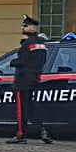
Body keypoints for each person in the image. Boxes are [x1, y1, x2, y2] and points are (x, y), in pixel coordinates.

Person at [7, 15, 51, 145]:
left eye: (25, 26)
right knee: (31, 107)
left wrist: (12, 62)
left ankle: (21, 135)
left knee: (22, 109)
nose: (22, 28)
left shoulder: (27, 43)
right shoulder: (41, 43)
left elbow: (22, 61)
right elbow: (43, 60)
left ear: (32, 28)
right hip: (35, 78)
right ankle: (42, 129)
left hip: (23, 80)